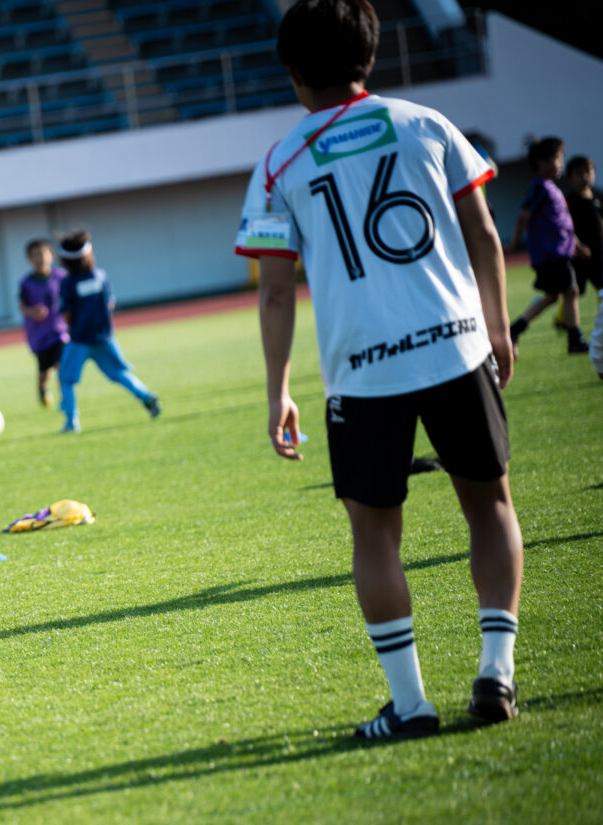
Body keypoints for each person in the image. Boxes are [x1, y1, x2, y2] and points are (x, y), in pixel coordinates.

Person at [235, 0, 522, 739]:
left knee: (373, 535)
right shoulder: (428, 124)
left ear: (293, 70)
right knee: (489, 506)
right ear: (370, 52)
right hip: (459, 347)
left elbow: (273, 290)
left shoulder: (278, 165)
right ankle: (496, 674)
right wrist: (495, 325)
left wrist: (279, 393)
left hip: (363, 374)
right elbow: (483, 231)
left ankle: (412, 705)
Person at [56, 231, 161, 431]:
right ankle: (146, 395)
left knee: (66, 379)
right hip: (104, 337)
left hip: (79, 339)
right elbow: (110, 304)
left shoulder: (68, 283)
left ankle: (71, 422)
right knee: (119, 373)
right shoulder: (100, 276)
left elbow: (67, 313)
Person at [509, 137, 587, 354]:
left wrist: (578, 246)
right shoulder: (540, 187)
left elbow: (565, 224)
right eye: (556, 158)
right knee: (571, 290)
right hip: (550, 255)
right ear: (541, 163)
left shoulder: (552, 188)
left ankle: (515, 329)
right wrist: (514, 244)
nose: (561, 163)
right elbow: (524, 216)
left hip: (559, 253)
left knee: (554, 296)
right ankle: (575, 339)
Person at [19, 237, 70, 407]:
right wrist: (32, 312)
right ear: (29, 259)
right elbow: (22, 306)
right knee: (44, 373)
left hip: (60, 331)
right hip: (40, 335)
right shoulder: (26, 283)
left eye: (43, 254)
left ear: (52, 255)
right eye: (35, 255)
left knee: (61, 367)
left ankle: (65, 400)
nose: (40, 258)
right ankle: (42, 389)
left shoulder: (61, 277)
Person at [564, 156, 602, 313]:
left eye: (589, 171)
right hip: (579, 256)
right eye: (580, 173)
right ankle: (564, 317)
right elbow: (566, 227)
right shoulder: (570, 201)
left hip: (597, 254)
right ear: (570, 178)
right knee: (572, 291)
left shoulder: (597, 199)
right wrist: (578, 245)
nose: (585, 176)